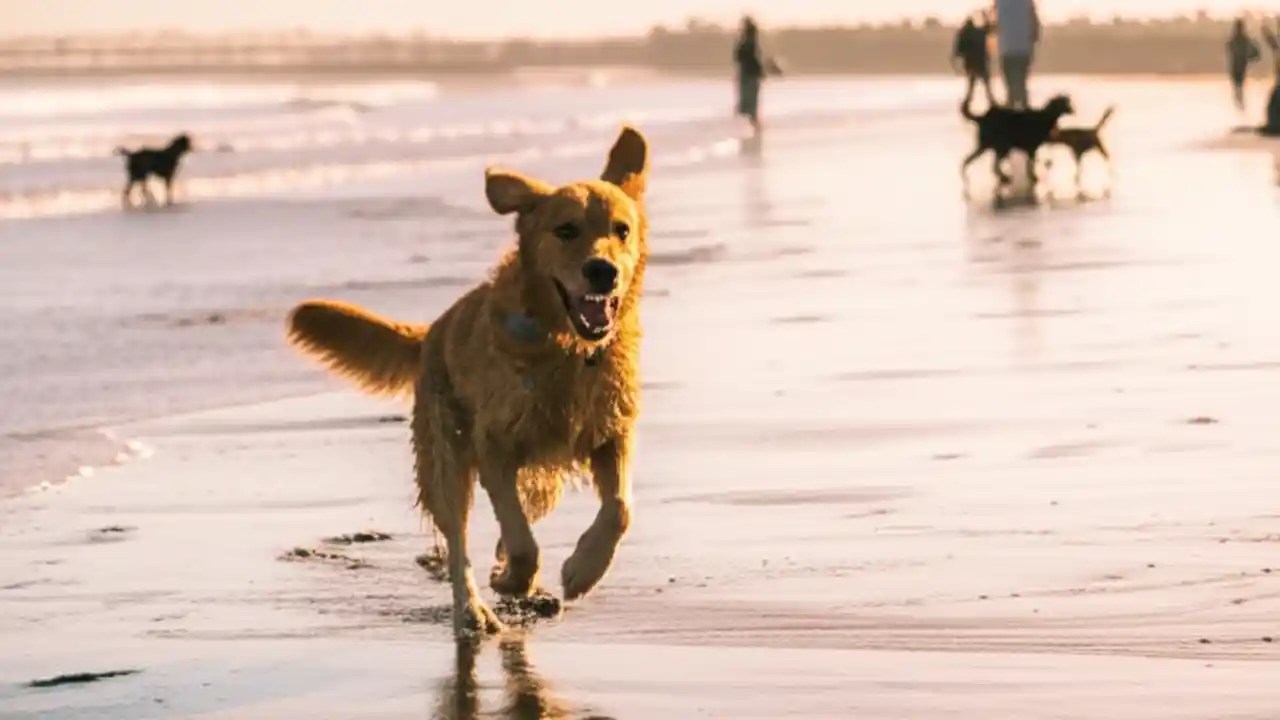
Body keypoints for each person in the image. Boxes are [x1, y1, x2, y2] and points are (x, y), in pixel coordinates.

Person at [734, 17, 781, 130]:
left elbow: (738, 57)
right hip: (750, 75)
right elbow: (753, 59)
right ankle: (755, 124)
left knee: (748, 99)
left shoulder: (744, 42)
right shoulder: (750, 43)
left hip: (746, 74)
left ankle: (753, 123)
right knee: (751, 100)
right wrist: (760, 71)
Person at [994, 0, 1040, 109]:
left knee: (1010, 84)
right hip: (1023, 48)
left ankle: (1012, 109)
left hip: (1007, 48)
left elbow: (995, 22)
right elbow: (1035, 24)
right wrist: (1032, 42)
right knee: (1021, 82)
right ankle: (1023, 109)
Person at [953, 11, 995, 108]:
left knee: (971, 85)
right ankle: (992, 103)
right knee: (986, 85)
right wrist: (986, 17)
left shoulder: (964, 33)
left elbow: (959, 50)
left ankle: (966, 104)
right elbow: (990, 28)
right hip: (980, 62)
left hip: (971, 63)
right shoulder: (979, 32)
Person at [1227, 18, 1261, 111]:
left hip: (1238, 67)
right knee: (1238, 88)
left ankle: (1240, 107)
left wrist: (1249, 58)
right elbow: (1255, 53)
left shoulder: (1236, 40)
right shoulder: (1240, 39)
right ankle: (1240, 107)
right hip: (1239, 67)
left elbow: (1255, 53)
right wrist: (1250, 59)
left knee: (1238, 88)